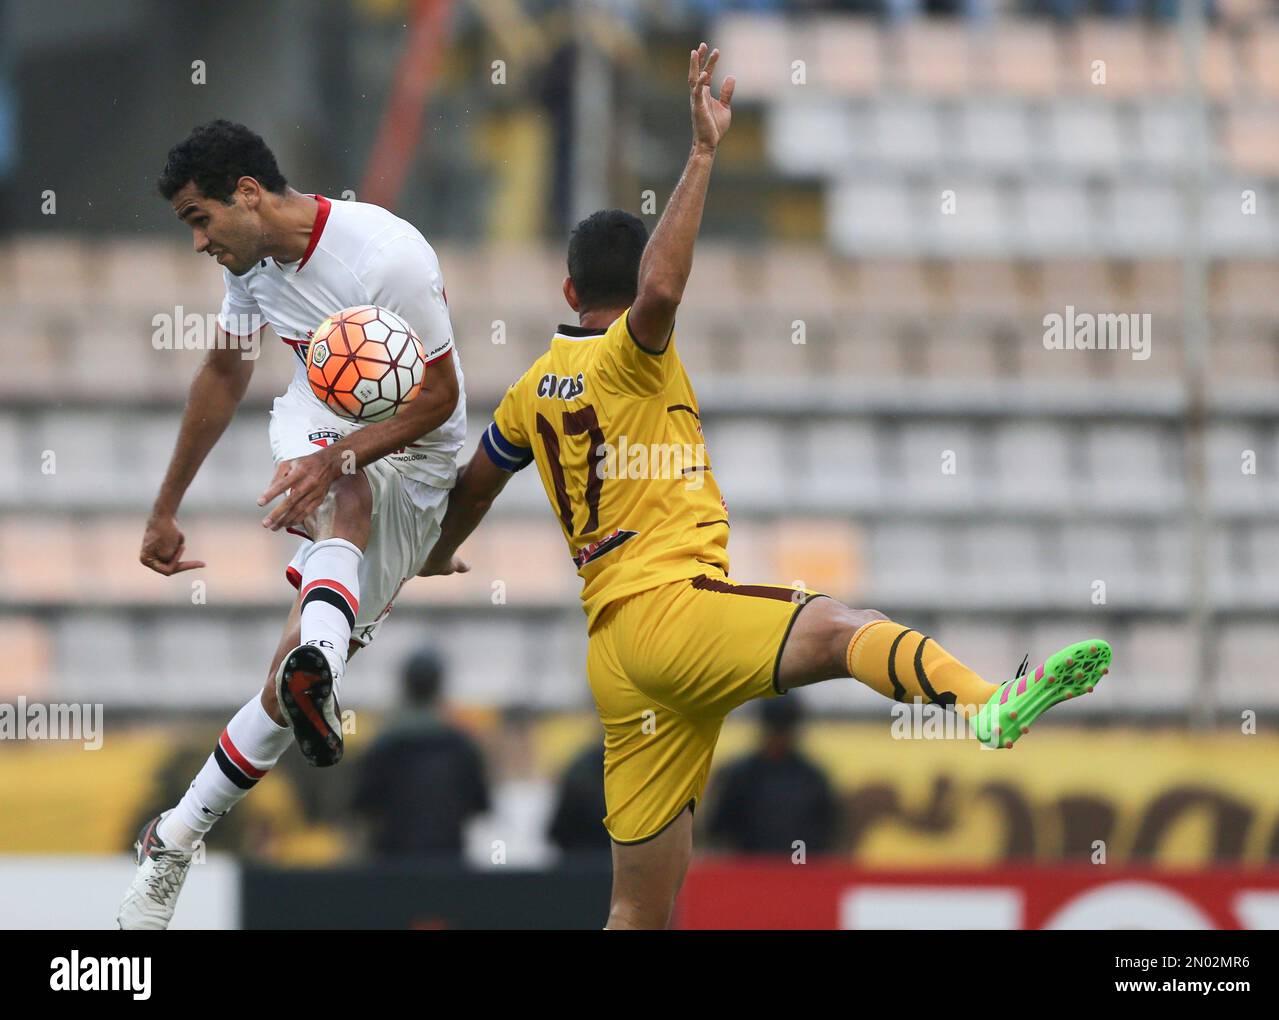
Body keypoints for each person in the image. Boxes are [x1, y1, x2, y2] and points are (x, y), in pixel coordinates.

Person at [418, 44, 1112, 929]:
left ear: (564, 287)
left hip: (617, 658)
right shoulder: (633, 354)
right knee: (838, 627)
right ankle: (985, 703)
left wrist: (436, 553)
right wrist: (702, 154)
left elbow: (473, 488)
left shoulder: (526, 392)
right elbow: (664, 286)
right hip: (672, 608)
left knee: (637, 909)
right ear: (625, 293)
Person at [117, 120, 468, 929]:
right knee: (344, 488)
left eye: (200, 218)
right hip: (320, 415)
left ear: (247, 194)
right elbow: (226, 368)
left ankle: (175, 837)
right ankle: (322, 656)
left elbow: (442, 398)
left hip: (417, 458)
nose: (199, 242)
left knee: (280, 690)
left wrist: (343, 455)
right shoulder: (254, 267)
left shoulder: (388, 257)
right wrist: (165, 507)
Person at [351, 649, 489, 858]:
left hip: (393, 864)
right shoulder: (461, 747)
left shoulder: (383, 746)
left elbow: (363, 805)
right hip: (447, 863)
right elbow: (480, 804)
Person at [706, 695, 836, 856]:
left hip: (798, 871)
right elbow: (719, 833)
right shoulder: (738, 776)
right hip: (748, 872)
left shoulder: (813, 778)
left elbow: (828, 833)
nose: (779, 737)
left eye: (784, 729)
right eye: (775, 728)